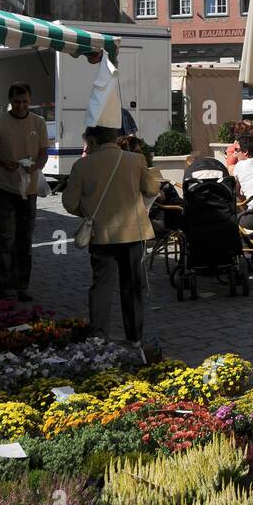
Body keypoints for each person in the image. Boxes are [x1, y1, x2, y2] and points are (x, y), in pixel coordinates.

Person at [62, 125, 162, 352]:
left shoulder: (82, 165)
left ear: (93, 142)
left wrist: (88, 211)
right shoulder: (135, 160)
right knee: (132, 285)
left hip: (101, 234)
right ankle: (135, 336)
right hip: (132, 232)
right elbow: (150, 189)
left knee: (102, 286)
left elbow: (69, 203)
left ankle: (99, 337)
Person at [0, 82, 49, 301]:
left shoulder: (38, 123)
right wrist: (3, 162)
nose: (21, 106)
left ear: (30, 100)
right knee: (4, 241)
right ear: (10, 102)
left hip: (28, 191)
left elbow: (43, 152)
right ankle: (6, 287)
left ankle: (22, 285)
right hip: (3, 188)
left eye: (25, 101)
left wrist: (37, 165)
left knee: (24, 240)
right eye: (17, 102)